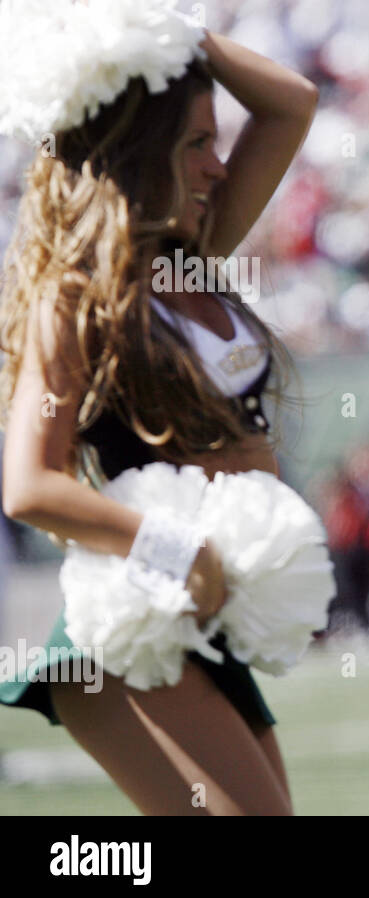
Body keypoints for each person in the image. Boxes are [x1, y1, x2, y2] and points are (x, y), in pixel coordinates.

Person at [0, 9, 317, 815]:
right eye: (195, 145)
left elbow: (291, 105)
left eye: (216, 143)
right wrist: (176, 550)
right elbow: (28, 486)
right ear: (139, 154)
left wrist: (168, 38)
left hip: (197, 612)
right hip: (132, 618)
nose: (217, 167)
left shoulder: (193, 259)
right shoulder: (78, 302)